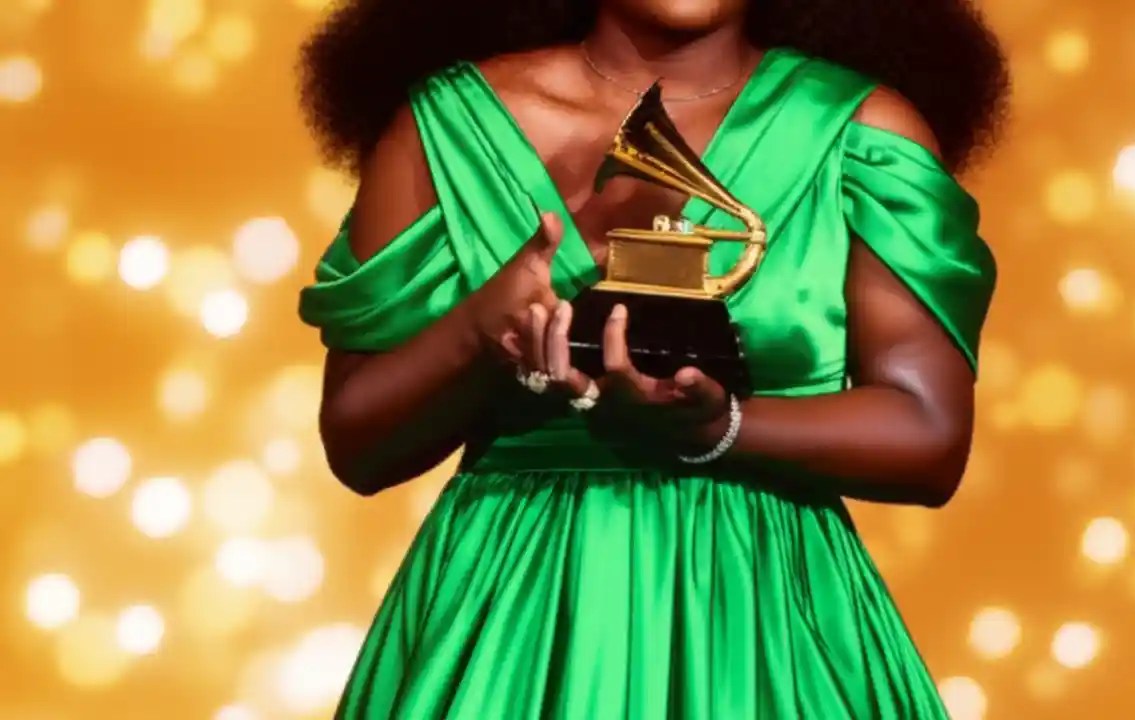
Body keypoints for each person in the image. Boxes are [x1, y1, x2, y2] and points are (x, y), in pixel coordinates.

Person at [297, 0, 1008, 716]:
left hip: (768, 630)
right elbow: (359, 445)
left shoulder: (861, 130)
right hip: (512, 618)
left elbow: (930, 433)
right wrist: (480, 331)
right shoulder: (444, 126)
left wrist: (721, 429)